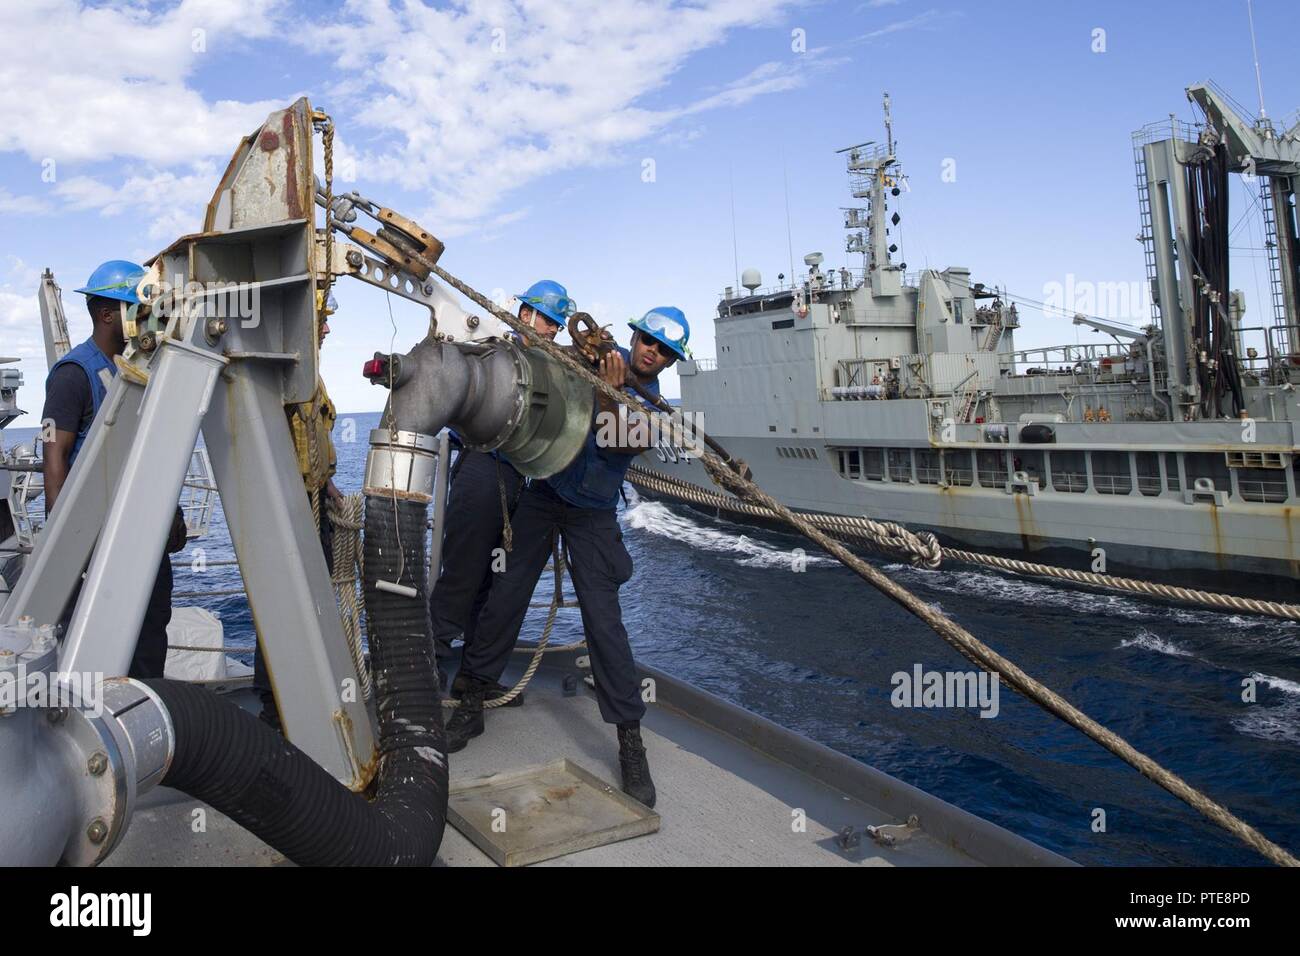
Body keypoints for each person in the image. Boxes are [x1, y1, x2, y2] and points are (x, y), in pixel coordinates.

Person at [445, 307, 690, 808]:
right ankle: (472, 700)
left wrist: (605, 393)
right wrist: (571, 354)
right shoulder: (597, 359)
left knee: (605, 624)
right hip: (543, 498)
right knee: (505, 594)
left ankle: (630, 742)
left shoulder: (654, 411)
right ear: (636, 335)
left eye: (664, 350)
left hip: (593, 517)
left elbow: (616, 440)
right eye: (647, 339)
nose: (652, 351)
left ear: (669, 362)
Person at [42, 260, 187, 679]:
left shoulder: (142, 369)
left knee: (149, 638)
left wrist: (171, 512)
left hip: (146, 533)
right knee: (97, 650)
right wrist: (68, 552)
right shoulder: (74, 374)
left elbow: (153, 449)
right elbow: (55, 459)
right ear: (108, 314)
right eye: (138, 309)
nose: (148, 318)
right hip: (98, 539)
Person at [429, 280, 573, 698]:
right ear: (525, 314)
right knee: (461, 577)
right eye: (548, 321)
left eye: (556, 326)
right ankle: (426, 673)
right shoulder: (493, 350)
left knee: (491, 584)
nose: (552, 331)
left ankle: (474, 680)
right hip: (480, 471)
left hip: (513, 483)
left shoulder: (544, 366)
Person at [254, 302, 342, 729]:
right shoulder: (279, 372)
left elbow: (311, 436)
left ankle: (307, 691)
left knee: (315, 600)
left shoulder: (311, 374)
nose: (326, 328)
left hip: (313, 503)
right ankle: (274, 704)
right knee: (281, 601)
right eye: (320, 321)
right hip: (285, 508)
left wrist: (327, 486)